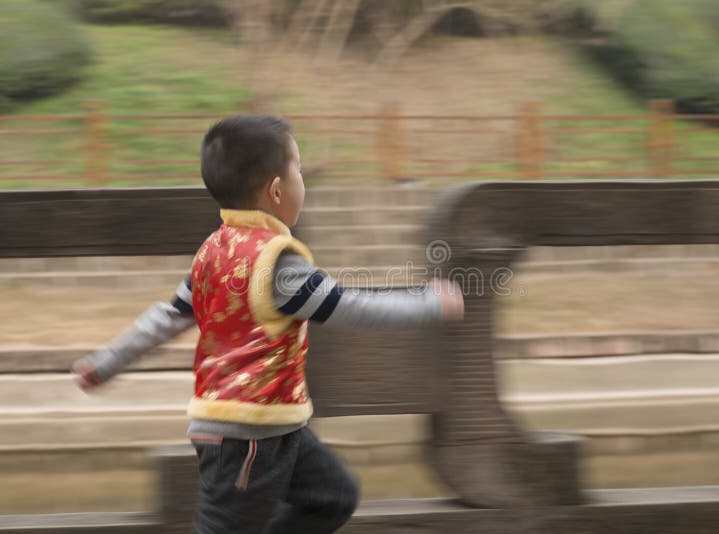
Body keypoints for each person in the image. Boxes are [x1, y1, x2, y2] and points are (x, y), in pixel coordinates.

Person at [71, 115, 464, 534]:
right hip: (247, 437)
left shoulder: (213, 251)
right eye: (299, 170)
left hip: (277, 426)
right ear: (277, 191)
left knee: (333, 497)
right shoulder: (277, 266)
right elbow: (349, 307)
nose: (302, 182)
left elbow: (167, 317)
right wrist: (428, 304)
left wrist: (107, 362)